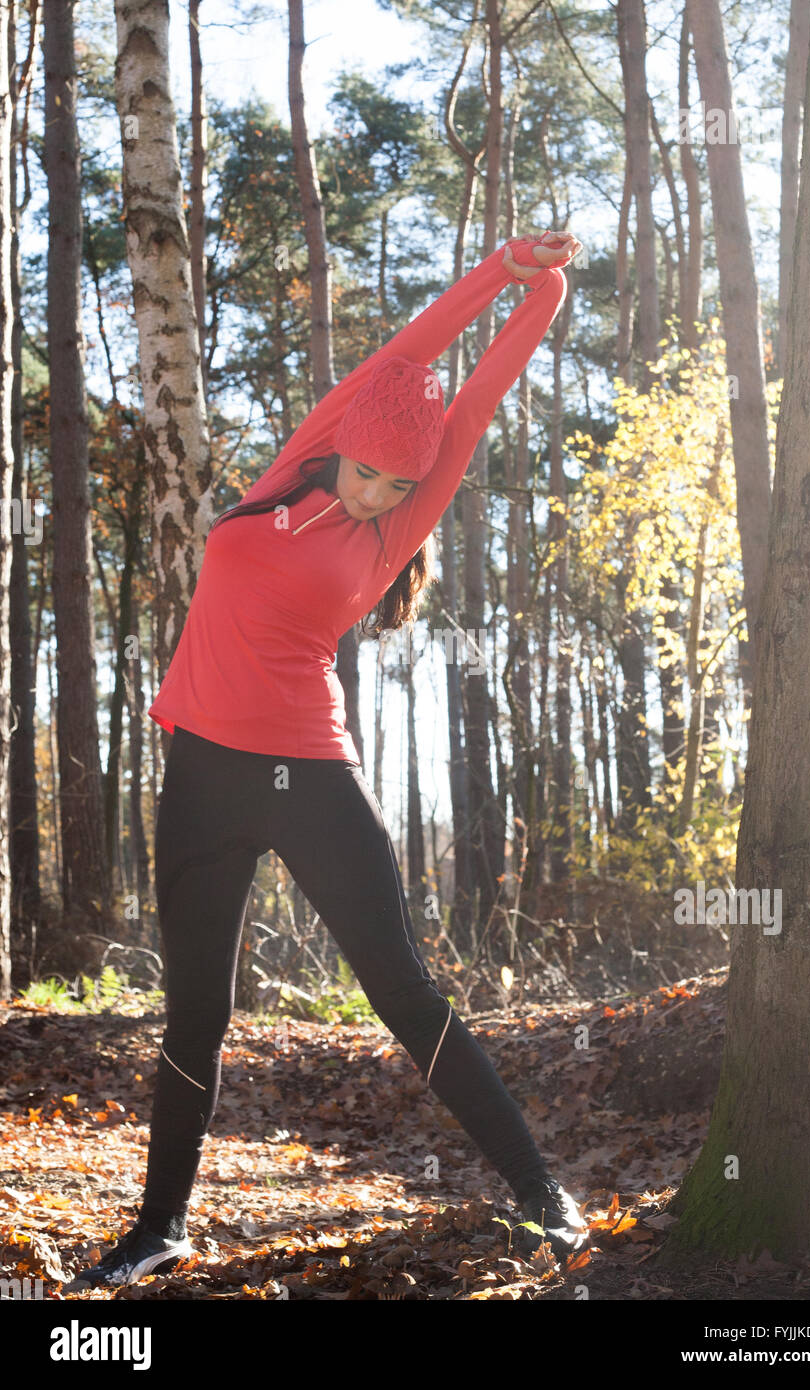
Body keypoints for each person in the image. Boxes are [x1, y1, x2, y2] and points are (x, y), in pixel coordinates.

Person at [63, 229, 589, 1293]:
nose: (374, 495)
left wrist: (543, 295)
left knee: (400, 988)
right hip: (200, 773)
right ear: (338, 440)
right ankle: (158, 1225)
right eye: (365, 473)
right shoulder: (291, 466)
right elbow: (412, 351)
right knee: (196, 1010)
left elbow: (474, 394)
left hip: (308, 772)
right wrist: (499, 268)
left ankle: (542, 1195)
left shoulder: (390, 527)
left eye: (398, 485)